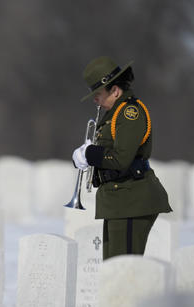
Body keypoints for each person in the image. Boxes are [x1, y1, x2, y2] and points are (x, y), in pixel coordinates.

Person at [72, 56, 171, 260]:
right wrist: (86, 154)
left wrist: (90, 154)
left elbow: (121, 159)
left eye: (98, 94)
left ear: (115, 90)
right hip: (119, 201)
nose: (95, 99)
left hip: (131, 200)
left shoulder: (129, 113)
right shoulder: (112, 113)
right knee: (113, 269)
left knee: (123, 272)